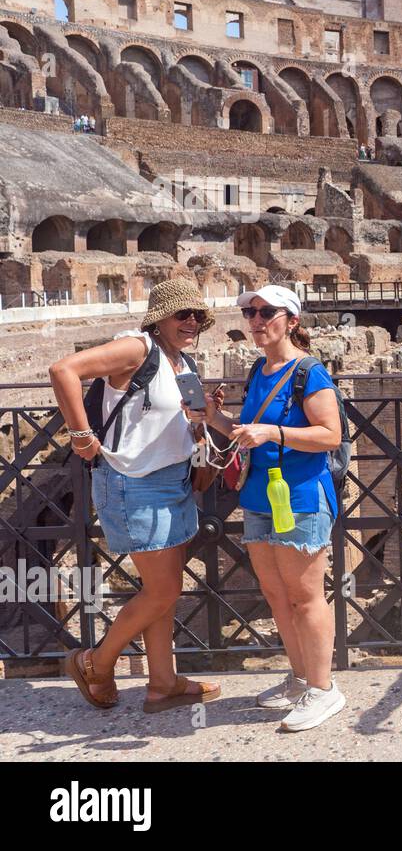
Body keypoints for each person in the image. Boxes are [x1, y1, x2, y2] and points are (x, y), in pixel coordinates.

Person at [50, 279, 222, 713]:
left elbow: (179, 424)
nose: (191, 322)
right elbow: (63, 370)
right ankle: (95, 662)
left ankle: (162, 683)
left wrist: (201, 428)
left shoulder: (183, 363)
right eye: (182, 314)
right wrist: (80, 434)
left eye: (197, 316)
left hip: (176, 482)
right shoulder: (136, 348)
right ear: (159, 318)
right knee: (164, 590)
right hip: (134, 483)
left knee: (159, 589)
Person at [204, 284, 345, 731]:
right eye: (251, 313)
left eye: (267, 312)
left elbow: (330, 436)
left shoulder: (309, 373)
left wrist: (274, 433)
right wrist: (214, 419)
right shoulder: (259, 371)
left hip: (301, 495)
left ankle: (324, 691)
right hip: (259, 496)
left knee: (306, 598)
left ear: (292, 320)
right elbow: (249, 433)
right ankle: (300, 677)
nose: (257, 320)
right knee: (276, 594)